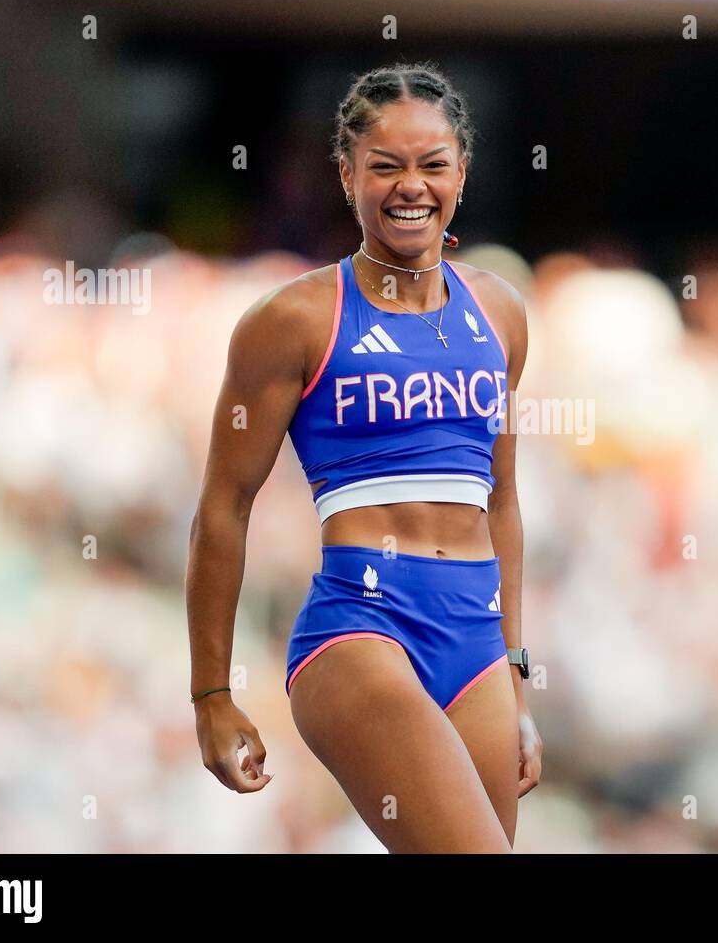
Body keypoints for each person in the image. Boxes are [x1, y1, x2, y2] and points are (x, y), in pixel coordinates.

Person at [186, 62, 542, 852]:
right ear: (347, 175)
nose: (410, 186)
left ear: (462, 172)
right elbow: (223, 505)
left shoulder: (500, 311)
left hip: (477, 642)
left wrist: (516, 675)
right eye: (385, 166)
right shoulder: (294, 319)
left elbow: (504, 500)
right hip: (361, 631)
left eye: (432, 165)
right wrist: (211, 693)